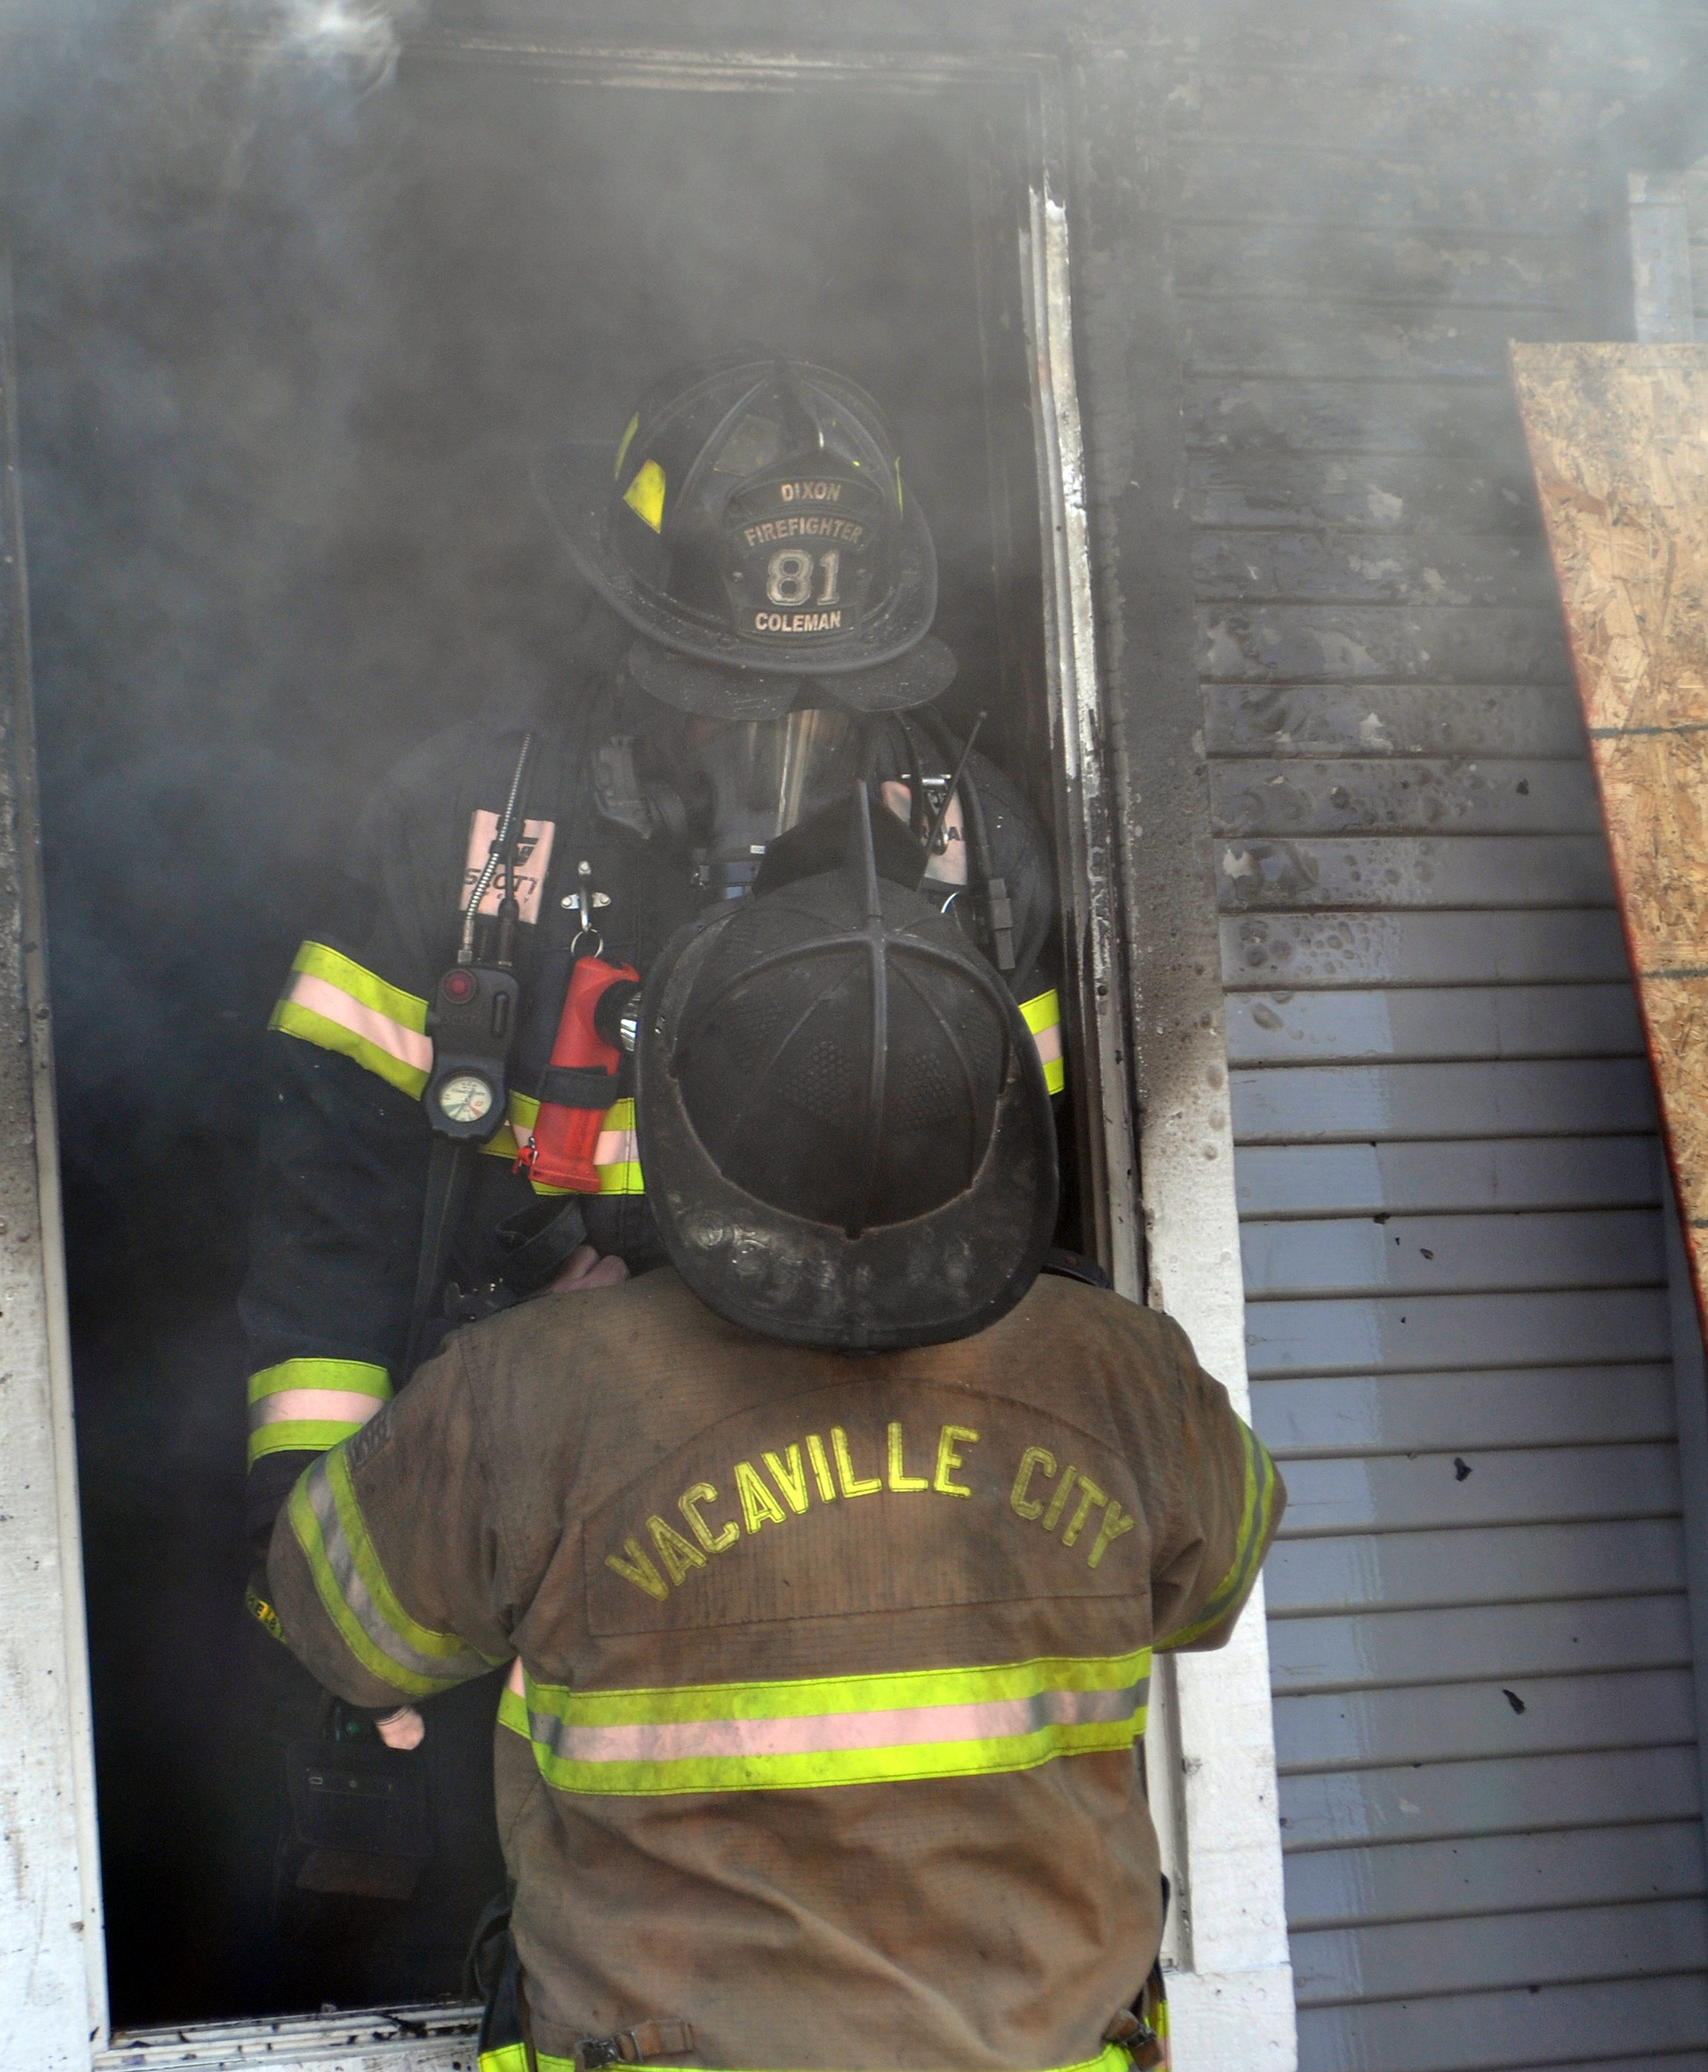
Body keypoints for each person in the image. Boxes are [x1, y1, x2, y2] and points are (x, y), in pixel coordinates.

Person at [237, 350, 1070, 1997]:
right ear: (634, 629)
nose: (777, 738)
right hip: (508, 1540)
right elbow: (327, 1200)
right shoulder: (472, 836)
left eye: (827, 693)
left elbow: (1018, 1225)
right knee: (538, 1953)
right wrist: (312, 1537)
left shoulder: (969, 846)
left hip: (847, 1535)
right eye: (728, 684)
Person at [265, 792, 1285, 2072]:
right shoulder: (1125, 1371)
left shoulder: (528, 1388)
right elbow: (1210, 1590)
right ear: (994, 1116)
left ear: (685, 1119)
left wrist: (514, 1367)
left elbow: (340, 1624)